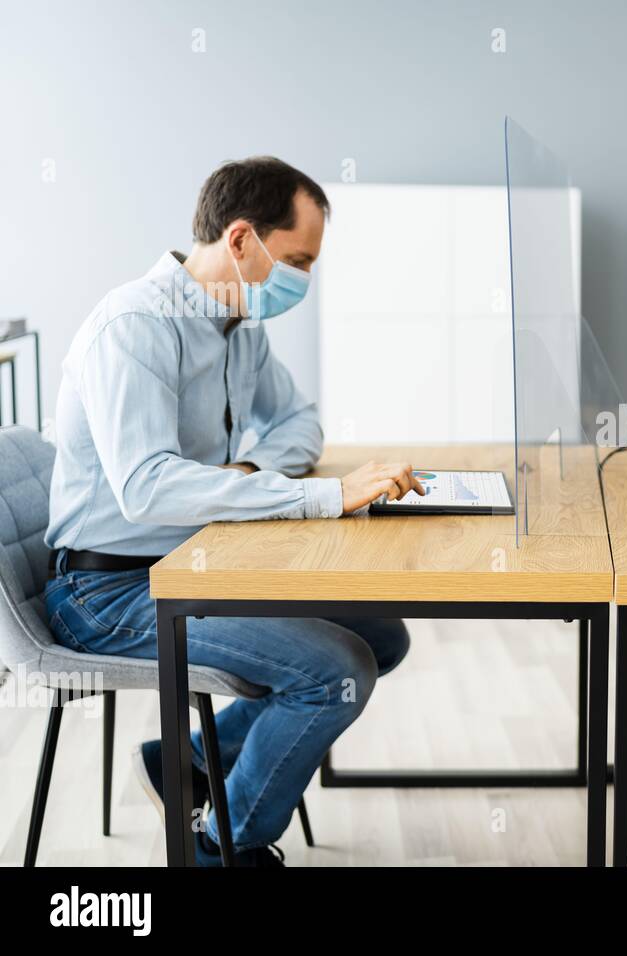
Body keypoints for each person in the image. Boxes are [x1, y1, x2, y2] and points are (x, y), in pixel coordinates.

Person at [44, 156, 424, 866]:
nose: (304, 282)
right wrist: (321, 496)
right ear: (242, 239)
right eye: (298, 261)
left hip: (193, 559)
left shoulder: (240, 329)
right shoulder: (132, 327)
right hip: (107, 590)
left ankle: (183, 760)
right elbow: (149, 488)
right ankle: (223, 844)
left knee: (383, 634)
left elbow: (301, 423)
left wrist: (247, 472)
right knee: (335, 670)